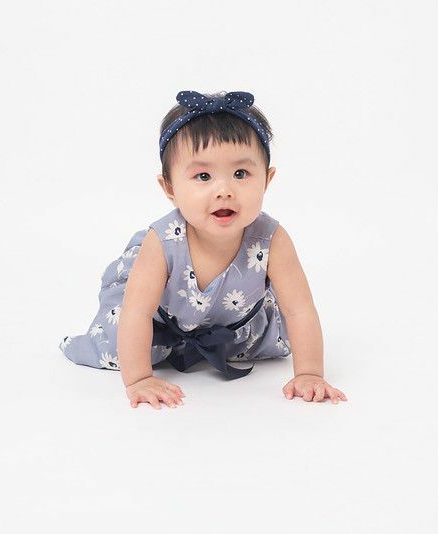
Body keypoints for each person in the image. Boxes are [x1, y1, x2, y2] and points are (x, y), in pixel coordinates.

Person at [59, 90, 347, 409]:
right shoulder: (163, 241)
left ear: (267, 179)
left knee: (278, 339)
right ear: (170, 188)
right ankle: (150, 356)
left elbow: (299, 309)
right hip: (157, 324)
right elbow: (137, 311)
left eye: (241, 174)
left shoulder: (272, 239)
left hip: (235, 323)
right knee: (120, 344)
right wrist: (140, 379)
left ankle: (221, 344)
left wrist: (309, 373)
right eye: (203, 176)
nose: (224, 190)